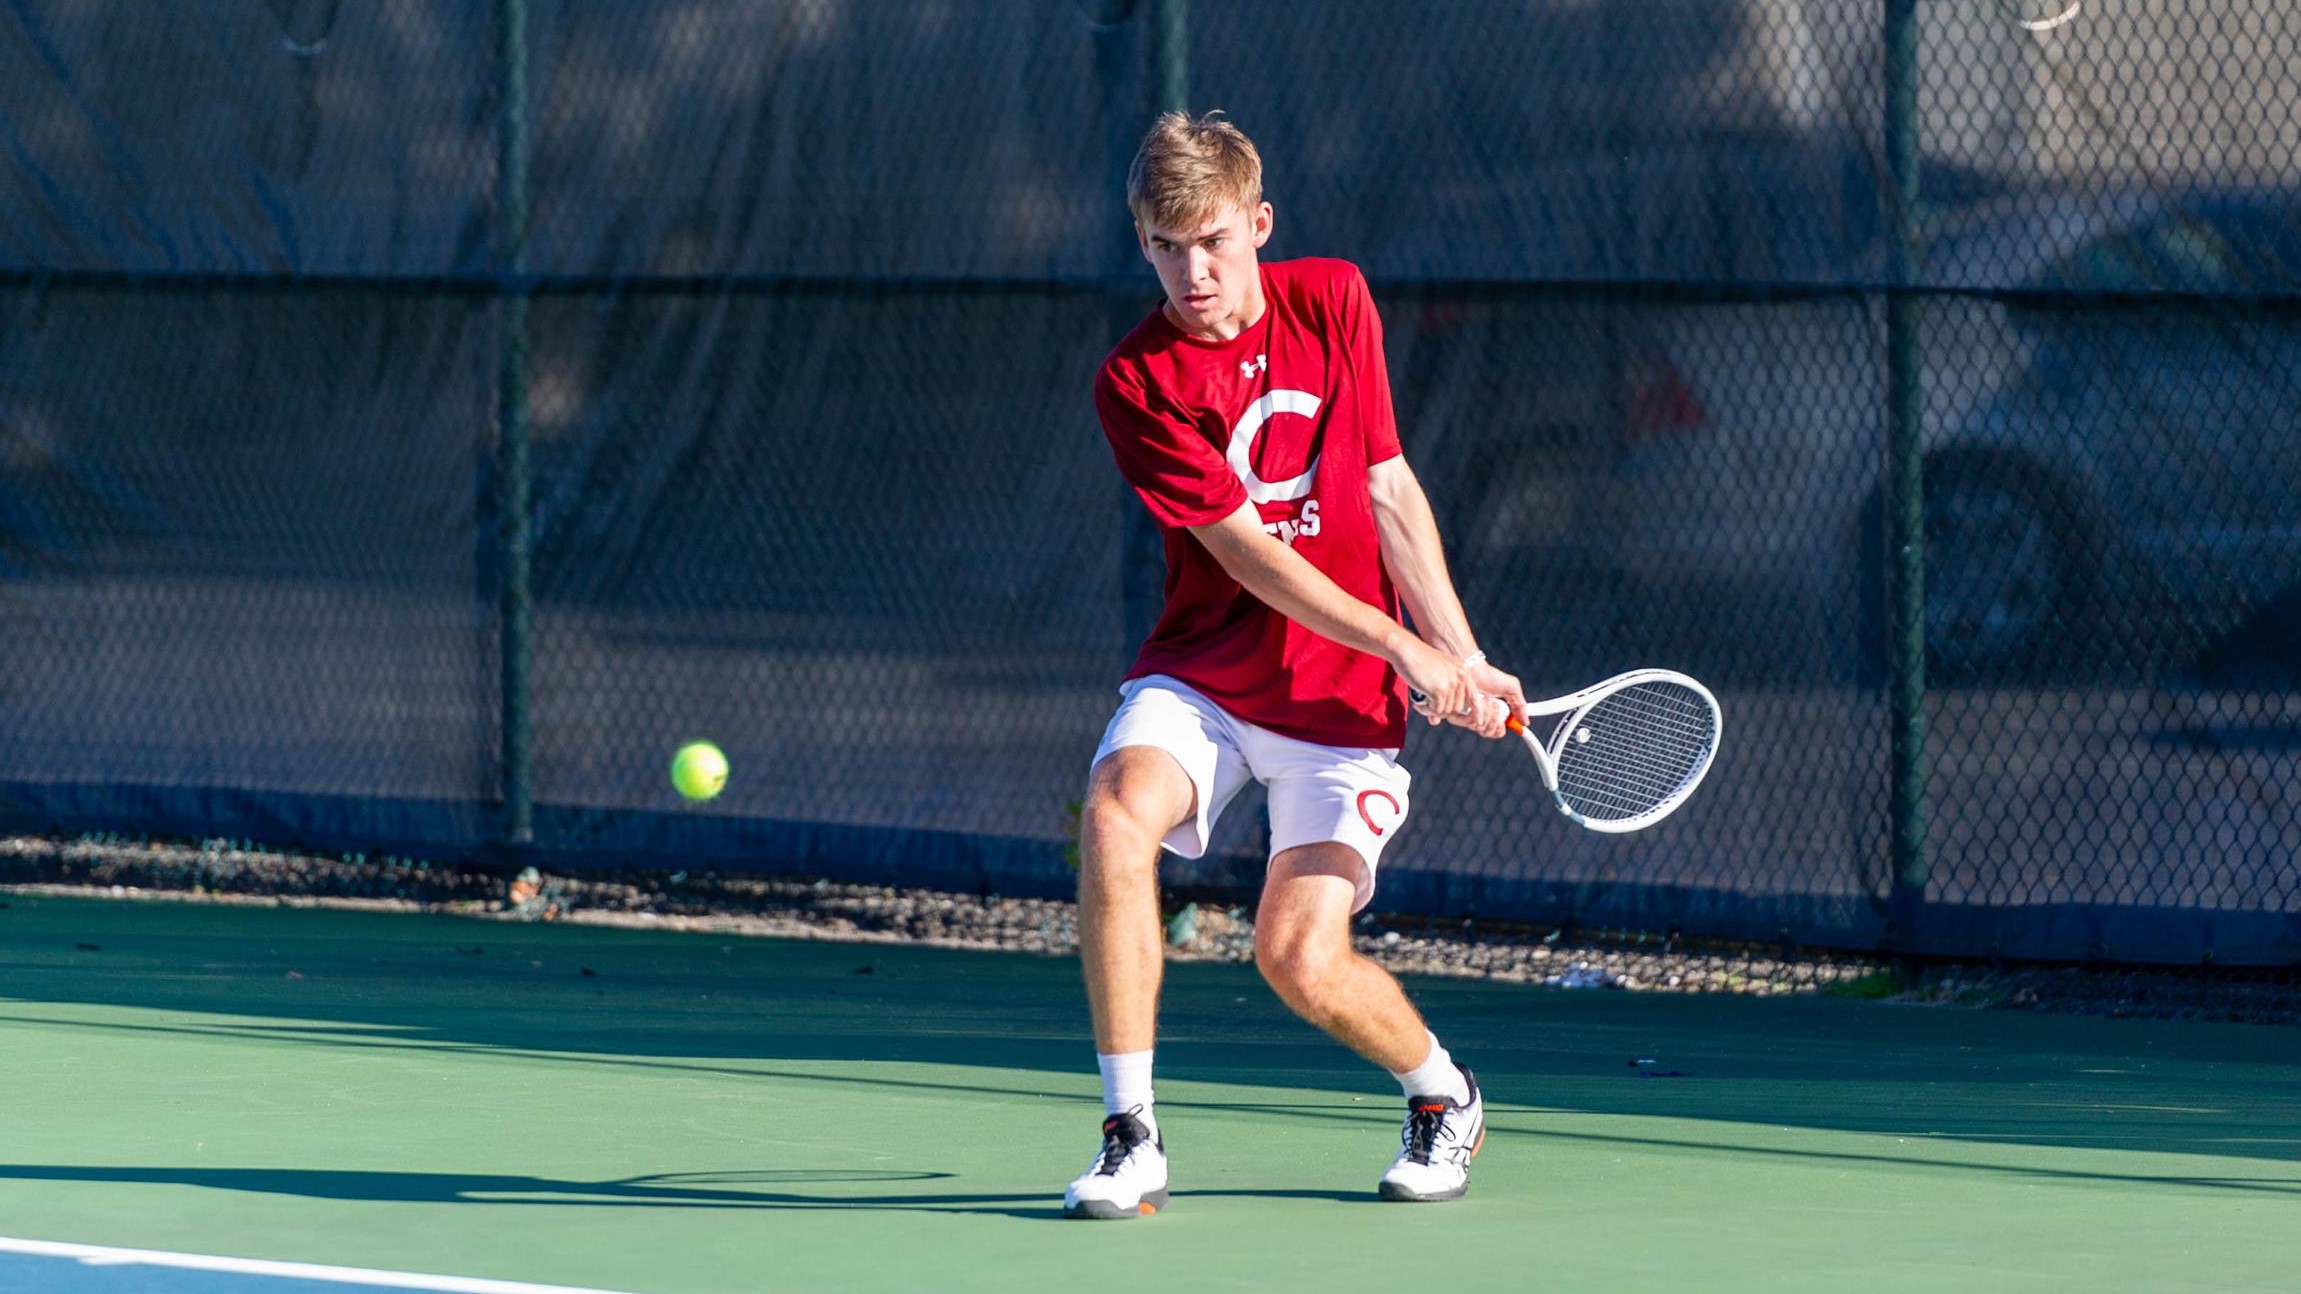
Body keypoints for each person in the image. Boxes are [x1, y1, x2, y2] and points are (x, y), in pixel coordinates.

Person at [1066, 111, 1528, 1220]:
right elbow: (1251, 558)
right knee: (1117, 815)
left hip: (1337, 709)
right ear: (1142, 242)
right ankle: (1131, 1135)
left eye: (1215, 240)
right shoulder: (1135, 384)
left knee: (1296, 957)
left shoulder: (1334, 300)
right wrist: (1410, 646)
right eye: (1167, 245)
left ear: (1259, 224)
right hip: (1207, 677)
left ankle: (1442, 1094)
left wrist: (1459, 651)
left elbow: (1385, 487)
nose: (1194, 270)